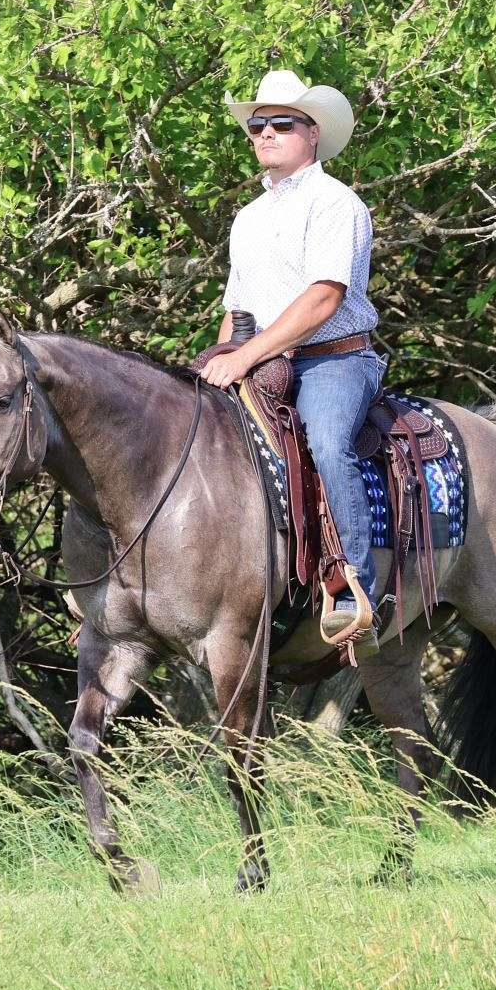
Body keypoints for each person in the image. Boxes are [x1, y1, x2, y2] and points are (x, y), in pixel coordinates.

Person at [199, 69, 384, 641]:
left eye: (281, 123)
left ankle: (353, 585)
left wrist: (245, 355)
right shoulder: (248, 218)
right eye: (258, 125)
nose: (266, 133)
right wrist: (223, 356)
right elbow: (238, 306)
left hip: (333, 359)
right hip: (255, 356)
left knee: (327, 443)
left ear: (312, 133)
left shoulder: (336, 203)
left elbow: (323, 298)